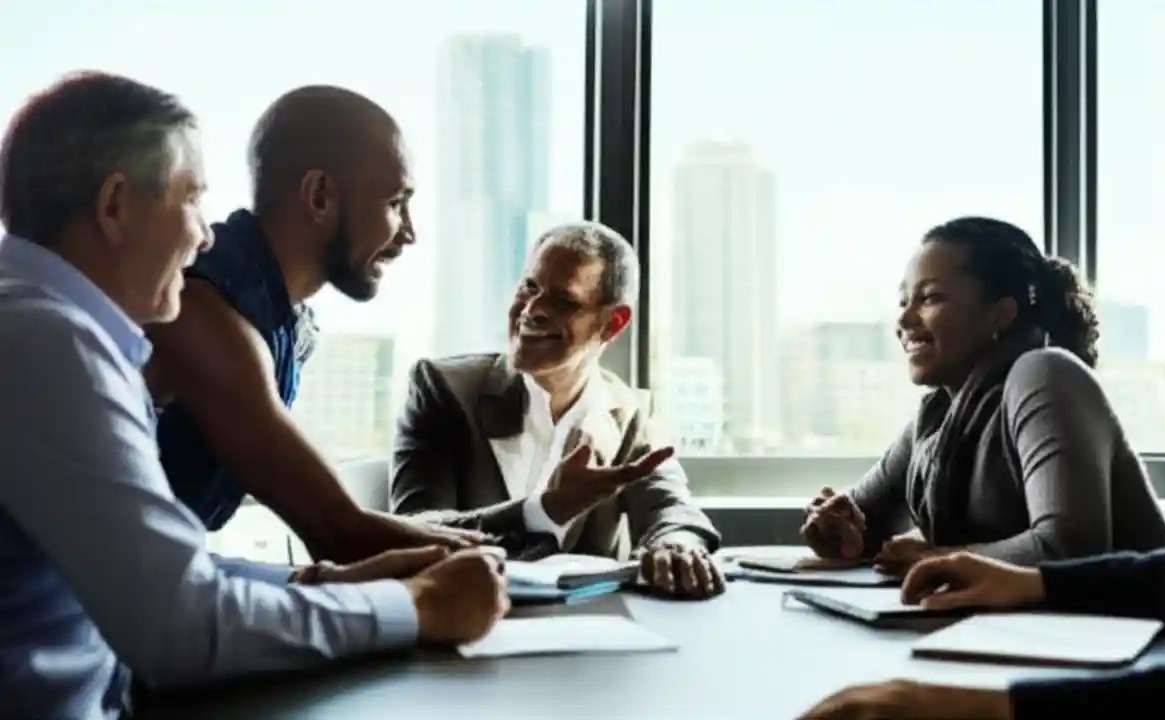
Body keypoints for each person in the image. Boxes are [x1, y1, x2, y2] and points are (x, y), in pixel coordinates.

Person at [800, 21, 1165, 720]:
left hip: (1127, 658)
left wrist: (993, 709)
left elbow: (1073, 544)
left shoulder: (1040, 373)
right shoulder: (939, 414)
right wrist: (1025, 586)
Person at [0, 72, 508, 720]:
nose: (203, 237)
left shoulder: (49, 334)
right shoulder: (51, 347)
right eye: (191, 200)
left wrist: (315, 583)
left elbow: (161, 573)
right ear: (116, 207)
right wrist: (418, 607)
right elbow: (179, 626)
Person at [144, 85, 487, 563]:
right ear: (319, 195)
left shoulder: (281, 317)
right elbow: (338, 530)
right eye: (395, 203)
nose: (409, 232)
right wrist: (505, 564)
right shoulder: (205, 314)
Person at [801, 217, 1165, 575]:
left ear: (1000, 315)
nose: (904, 320)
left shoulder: (1045, 374)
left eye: (929, 298)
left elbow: (1068, 550)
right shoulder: (939, 416)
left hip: (1143, 634)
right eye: (904, 301)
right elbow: (864, 525)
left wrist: (938, 558)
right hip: (1034, 636)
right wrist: (837, 525)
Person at [390, 221, 724, 598]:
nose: (532, 310)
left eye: (563, 301)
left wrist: (675, 545)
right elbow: (413, 529)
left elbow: (674, 509)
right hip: (461, 620)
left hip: (589, 633)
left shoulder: (628, 413)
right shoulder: (444, 389)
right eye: (529, 288)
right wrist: (544, 509)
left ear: (613, 323)